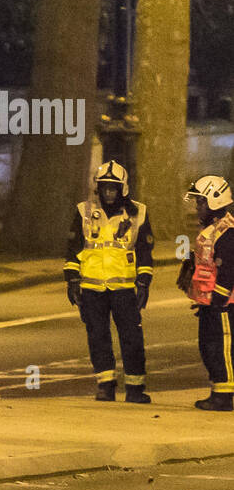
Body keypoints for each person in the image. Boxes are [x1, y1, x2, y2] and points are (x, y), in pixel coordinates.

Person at [63, 161, 153, 403]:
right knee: (97, 337)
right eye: (105, 188)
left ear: (122, 189)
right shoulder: (84, 211)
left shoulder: (138, 213)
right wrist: (72, 279)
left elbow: (145, 253)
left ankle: (135, 388)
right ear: (98, 188)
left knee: (132, 338)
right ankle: (106, 384)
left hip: (125, 289)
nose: (109, 193)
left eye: (113, 188)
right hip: (92, 289)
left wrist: (144, 282)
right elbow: (73, 249)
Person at [179, 176, 234, 411]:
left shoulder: (227, 232)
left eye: (201, 203)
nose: (197, 208)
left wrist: (217, 301)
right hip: (211, 303)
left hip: (223, 304)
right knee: (209, 346)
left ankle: (224, 395)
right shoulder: (212, 229)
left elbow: (228, 270)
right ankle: (219, 390)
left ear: (214, 201)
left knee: (222, 348)